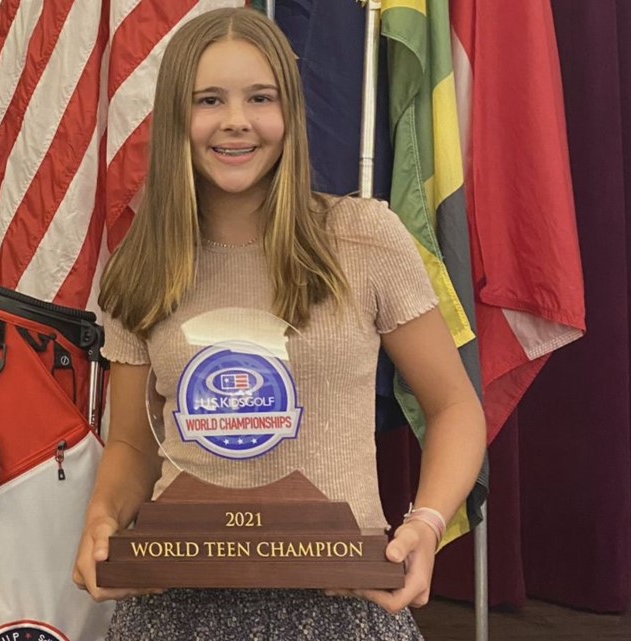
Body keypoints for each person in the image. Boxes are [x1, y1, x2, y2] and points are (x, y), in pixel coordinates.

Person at [71, 7, 487, 640]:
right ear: (176, 118)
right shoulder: (142, 264)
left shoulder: (365, 236)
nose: (236, 121)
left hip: (345, 606)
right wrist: (103, 518)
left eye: (259, 98)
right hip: (174, 609)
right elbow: (131, 444)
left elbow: (455, 406)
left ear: (289, 113)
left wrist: (426, 525)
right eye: (209, 99)